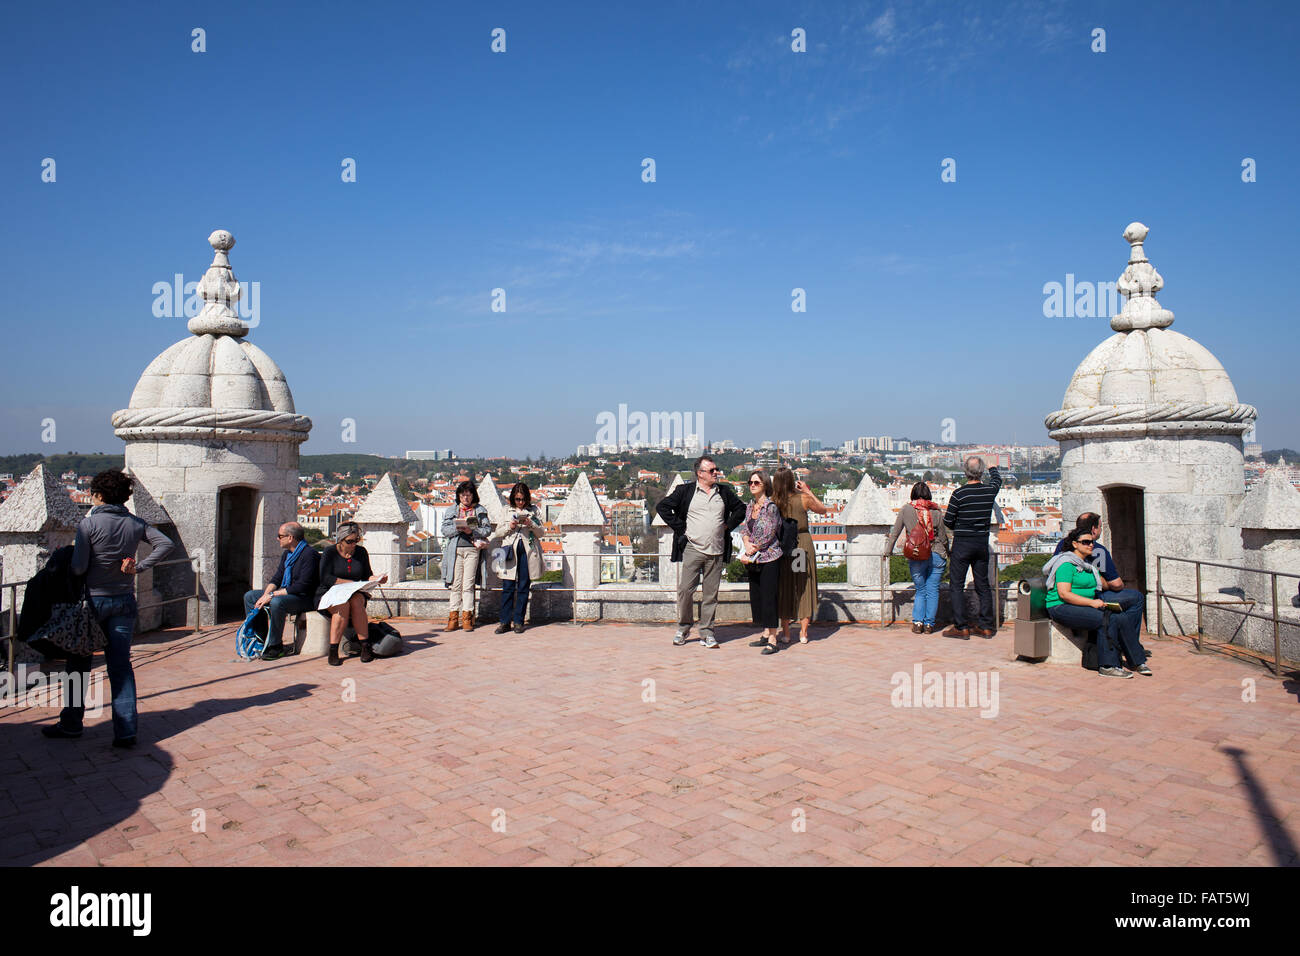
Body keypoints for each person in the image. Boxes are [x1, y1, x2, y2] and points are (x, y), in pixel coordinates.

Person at [42, 469, 175, 747]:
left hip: (92, 601)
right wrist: (138, 567)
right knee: (120, 667)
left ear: (99, 495)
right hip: (123, 601)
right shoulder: (135, 523)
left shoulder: (88, 525)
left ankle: (71, 724)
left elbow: (78, 567)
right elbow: (166, 543)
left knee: (78, 665)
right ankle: (125, 731)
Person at [655, 455, 746, 649]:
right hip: (693, 548)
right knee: (685, 591)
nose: (716, 473)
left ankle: (707, 632)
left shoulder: (723, 492)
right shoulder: (685, 491)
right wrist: (681, 528)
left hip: (716, 550)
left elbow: (741, 509)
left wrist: (727, 526)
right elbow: (662, 507)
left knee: (710, 595)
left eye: (716, 469)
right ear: (700, 473)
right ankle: (684, 628)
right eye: (711, 470)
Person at [1044, 527, 1150, 678]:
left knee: (1121, 616)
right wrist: (1091, 603)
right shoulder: (1066, 563)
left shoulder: (1088, 566)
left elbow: (1102, 584)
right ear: (1075, 544)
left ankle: (1138, 661)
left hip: (1081, 604)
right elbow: (1064, 593)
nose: (1090, 545)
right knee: (1107, 620)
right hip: (1060, 607)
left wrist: (1108, 585)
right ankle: (1107, 666)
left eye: (1092, 542)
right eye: (1085, 542)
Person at [942, 456, 1001, 639]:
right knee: (983, 585)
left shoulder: (959, 494)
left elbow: (948, 521)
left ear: (965, 472)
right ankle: (985, 626)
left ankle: (961, 627)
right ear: (981, 472)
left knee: (957, 585)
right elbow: (997, 481)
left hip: (962, 543)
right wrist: (993, 467)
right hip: (981, 543)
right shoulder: (989, 491)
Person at [244, 522, 318, 660]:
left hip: (304, 598)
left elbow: (302, 586)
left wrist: (272, 595)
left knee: (277, 602)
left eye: (280, 536)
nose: (277, 539)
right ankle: (261, 639)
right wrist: (265, 595)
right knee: (251, 596)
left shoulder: (310, 555)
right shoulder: (287, 555)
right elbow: (277, 578)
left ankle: (275, 645)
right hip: (288, 594)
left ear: (290, 538)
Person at [316, 522, 387, 666]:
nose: (353, 544)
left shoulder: (361, 553)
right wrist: (349, 583)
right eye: (350, 541)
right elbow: (325, 578)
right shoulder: (330, 552)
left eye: (356, 540)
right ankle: (333, 649)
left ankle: (365, 646)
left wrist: (378, 579)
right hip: (330, 592)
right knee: (342, 605)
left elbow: (367, 575)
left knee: (356, 602)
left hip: (354, 592)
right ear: (341, 540)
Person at [885, 481, 951, 634]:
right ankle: (929, 625)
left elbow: (894, 533)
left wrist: (888, 551)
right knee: (933, 590)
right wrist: (948, 551)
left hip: (916, 554)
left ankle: (917, 623)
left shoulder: (906, 510)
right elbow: (943, 536)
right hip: (937, 553)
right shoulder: (935, 511)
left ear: (912, 494)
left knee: (920, 590)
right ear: (928, 494)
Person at [773, 468, 828, 644]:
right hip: (801, 543)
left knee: (785, 587)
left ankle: (787, 633)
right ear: (791, 481)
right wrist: (807, 490)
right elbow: (822, 510)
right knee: (803, 586)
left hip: (783, 546)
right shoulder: (802, 498)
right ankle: (803, 632)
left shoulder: (774, 501)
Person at [492, 483, 545, 635]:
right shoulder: (506, 511)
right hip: (509, 552)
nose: (520, 502)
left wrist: (531, 524)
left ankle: (519, 622)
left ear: (527, 498)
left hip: (527, 553)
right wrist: (510, 526)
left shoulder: (534, 511)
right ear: (513, 498)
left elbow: (541, 533)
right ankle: (504, 622)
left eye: (522, 499)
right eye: (517, 499)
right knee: (507, 587)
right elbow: (498, 532)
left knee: (523, 587)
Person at [740, 470, 783, 655]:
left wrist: (753, 548)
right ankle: (765, 633)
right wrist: (745, 543)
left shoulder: (771, 507)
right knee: (757, 596)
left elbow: (769, 533)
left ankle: (773, 639)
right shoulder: (750, 506)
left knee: (769, 597)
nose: (752, 485)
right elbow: (744, 528)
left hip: (769, 557)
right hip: (753, 558)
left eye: (756, 482)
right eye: (750, 482)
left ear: (765, 484)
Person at [440, 481, 492, 633]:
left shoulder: (479, 510)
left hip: (472, 550)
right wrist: (458, 528)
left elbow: (487, 529)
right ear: (458, 496)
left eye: (468, 495)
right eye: (463, 495)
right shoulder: (452, 510)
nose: (465, 498)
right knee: (456, 584)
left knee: (468, 585)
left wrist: (472, 532)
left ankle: (467, 617)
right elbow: (445, 529)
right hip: (455, 550)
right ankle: (453, 618)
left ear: (473, 496)